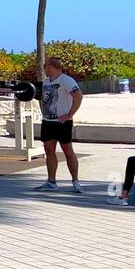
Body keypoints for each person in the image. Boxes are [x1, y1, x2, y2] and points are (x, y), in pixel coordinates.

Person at [37, 56, 85, 193]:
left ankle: (75, 181)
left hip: (62, 122)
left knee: (68, 151)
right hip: (48, 122)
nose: (44, 69)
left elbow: (78, 95)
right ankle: (51, 181)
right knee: (49, 150)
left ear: (51, 66)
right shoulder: (46, 81)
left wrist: (70, 114)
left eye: (45, 66)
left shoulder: (66, 80)